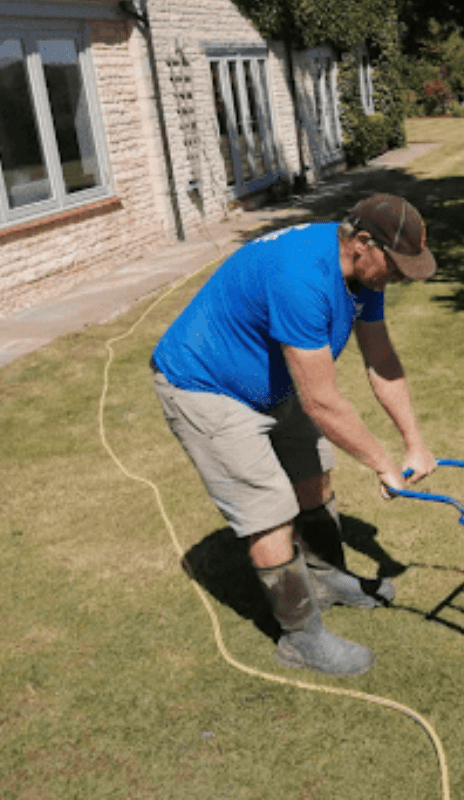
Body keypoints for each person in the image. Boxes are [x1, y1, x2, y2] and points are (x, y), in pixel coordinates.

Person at [151, 193, 440, 677]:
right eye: (396, 266)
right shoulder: (301, 276)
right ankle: (301, 637)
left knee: (313, 473)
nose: (399, 277)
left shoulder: (365, 274)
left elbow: (381, 360)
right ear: (363, 243)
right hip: (204, 386)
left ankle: (326, 579)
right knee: (269, 509)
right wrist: (381, 462)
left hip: (269, 381)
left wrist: (414, 441)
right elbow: (322, 401)